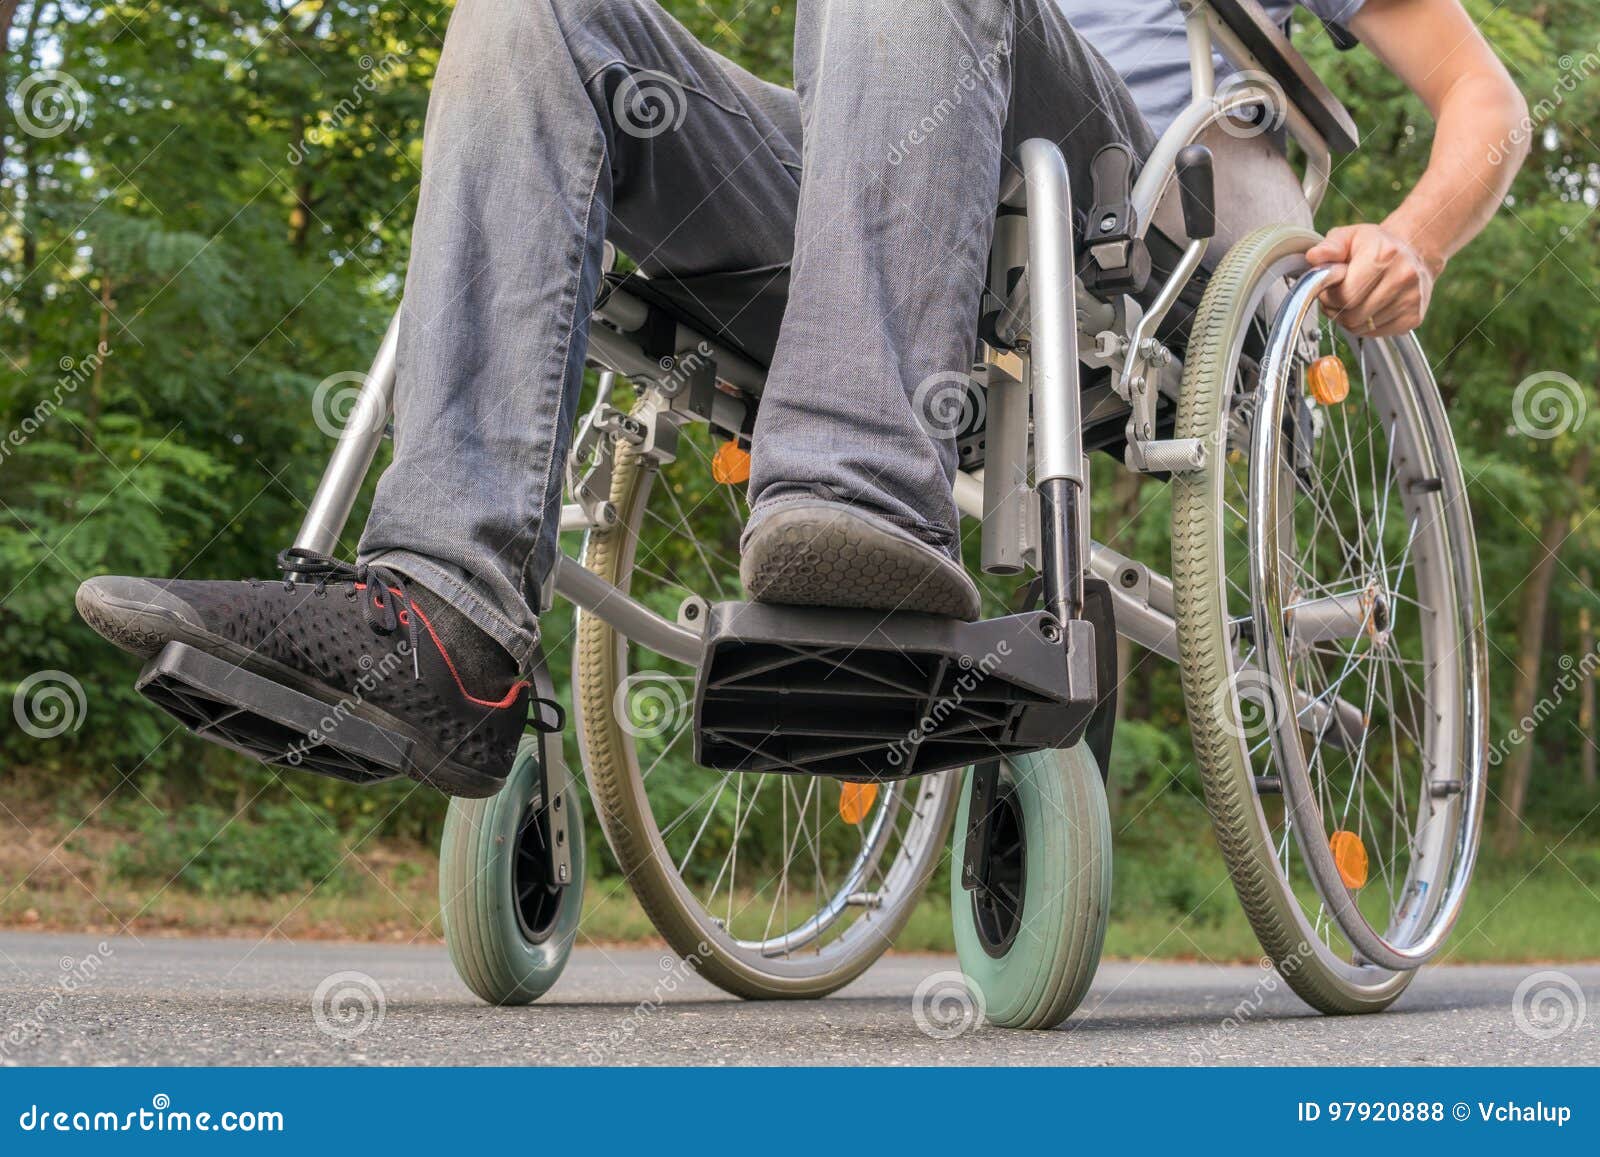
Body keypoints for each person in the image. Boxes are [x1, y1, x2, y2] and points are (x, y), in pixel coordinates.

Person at [76, 0, 1528, 797]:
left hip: (1121, 223)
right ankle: (446, 623)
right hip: (869, 191)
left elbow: (1488, 103)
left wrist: (1412, 236)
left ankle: (854, 504)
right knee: (534, 17)